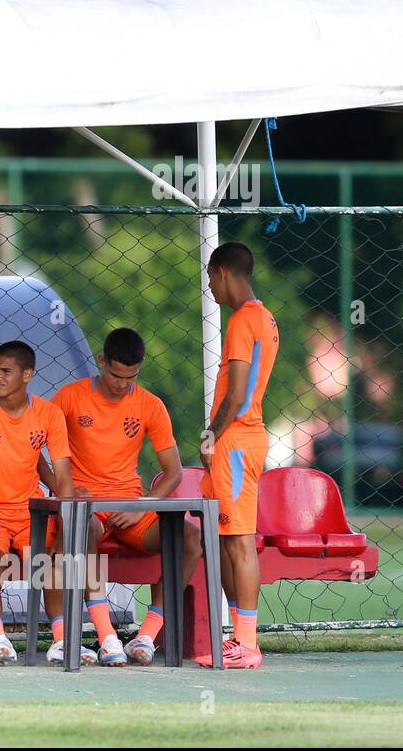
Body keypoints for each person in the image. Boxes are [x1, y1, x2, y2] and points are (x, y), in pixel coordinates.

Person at [48, 328, 197, 666]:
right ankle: (107, 636)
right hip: (87, 508)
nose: (122, 383)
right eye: (116, 375)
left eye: (131, 376)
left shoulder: (149, 404)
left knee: (189, 535)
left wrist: (141, 506)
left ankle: (146, 635)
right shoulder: (70, 397)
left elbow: (173, 472)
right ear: (101, 361)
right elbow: (36, 447)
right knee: (74, 532)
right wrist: (66, 487)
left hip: (132, 506)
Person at [0, 341, 79, 666]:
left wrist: (66, 532)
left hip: (31, 512)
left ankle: (61, 641)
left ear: (27, 375)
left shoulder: (50, 414)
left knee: (53, 568)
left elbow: (63, 478)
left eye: (5, 371)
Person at [194, 242, 279, 669]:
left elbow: (239, 394)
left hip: (237, 440)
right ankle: (238, 639)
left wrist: (211, 435)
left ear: (223, 272)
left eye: (210, 276)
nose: (209, 286)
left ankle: (247, 643)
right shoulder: (264, 317)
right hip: (243, 441)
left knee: (239, 543)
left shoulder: (244, 320)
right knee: (225, 542)